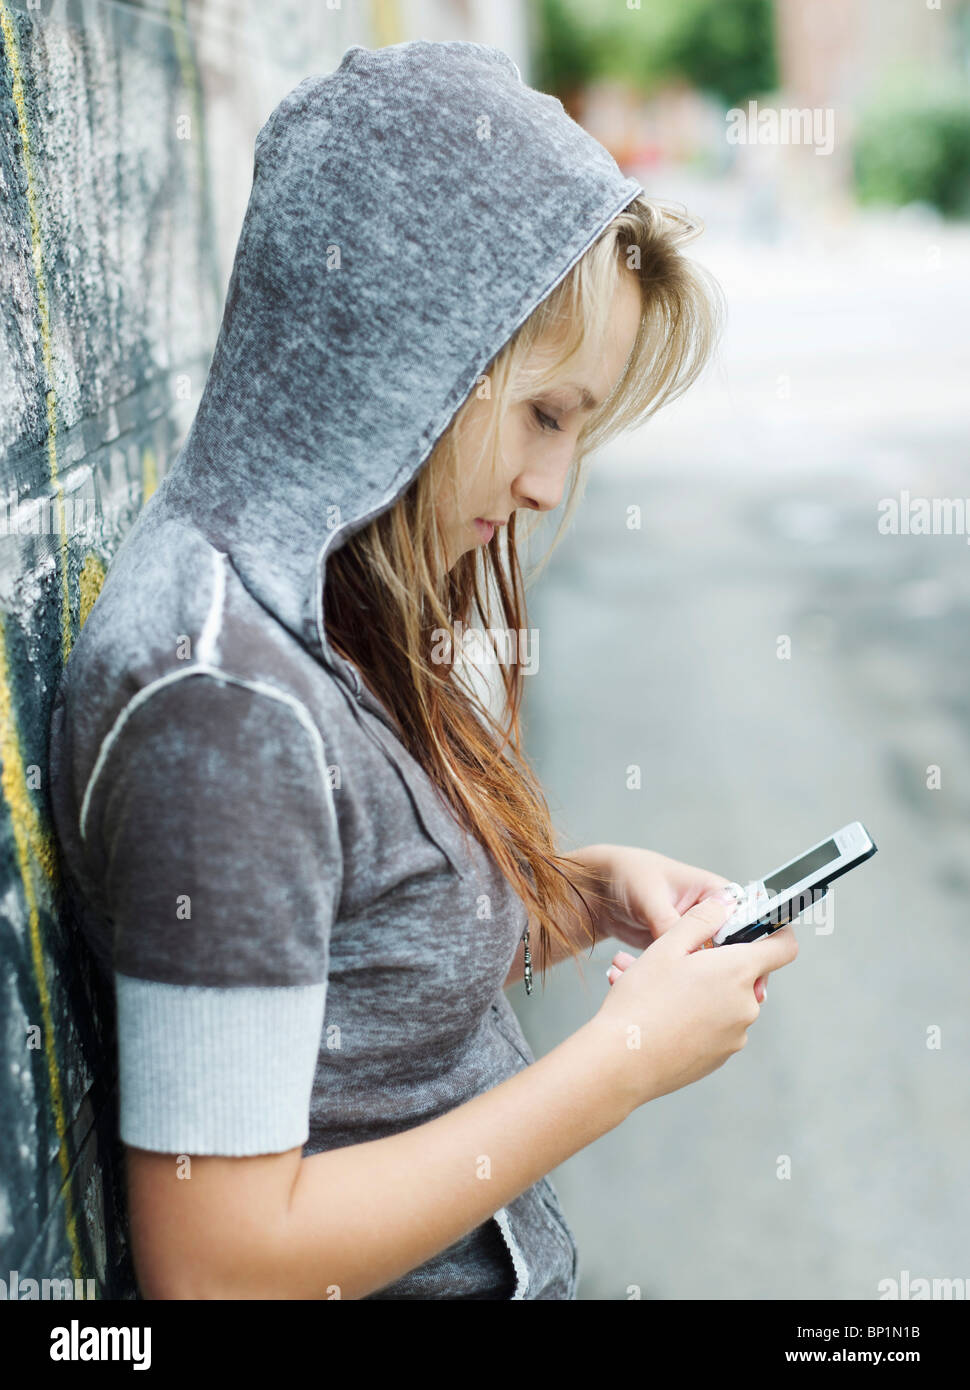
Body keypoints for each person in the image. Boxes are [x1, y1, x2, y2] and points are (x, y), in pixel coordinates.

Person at [47, 38, 798, 1301]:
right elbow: (218, 1263)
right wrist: (622, 1059)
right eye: (544, 413)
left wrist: (579, 893)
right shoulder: (222, 702)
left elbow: (339, 989)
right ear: (405, 346)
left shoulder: (322, 603)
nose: (552, 483)